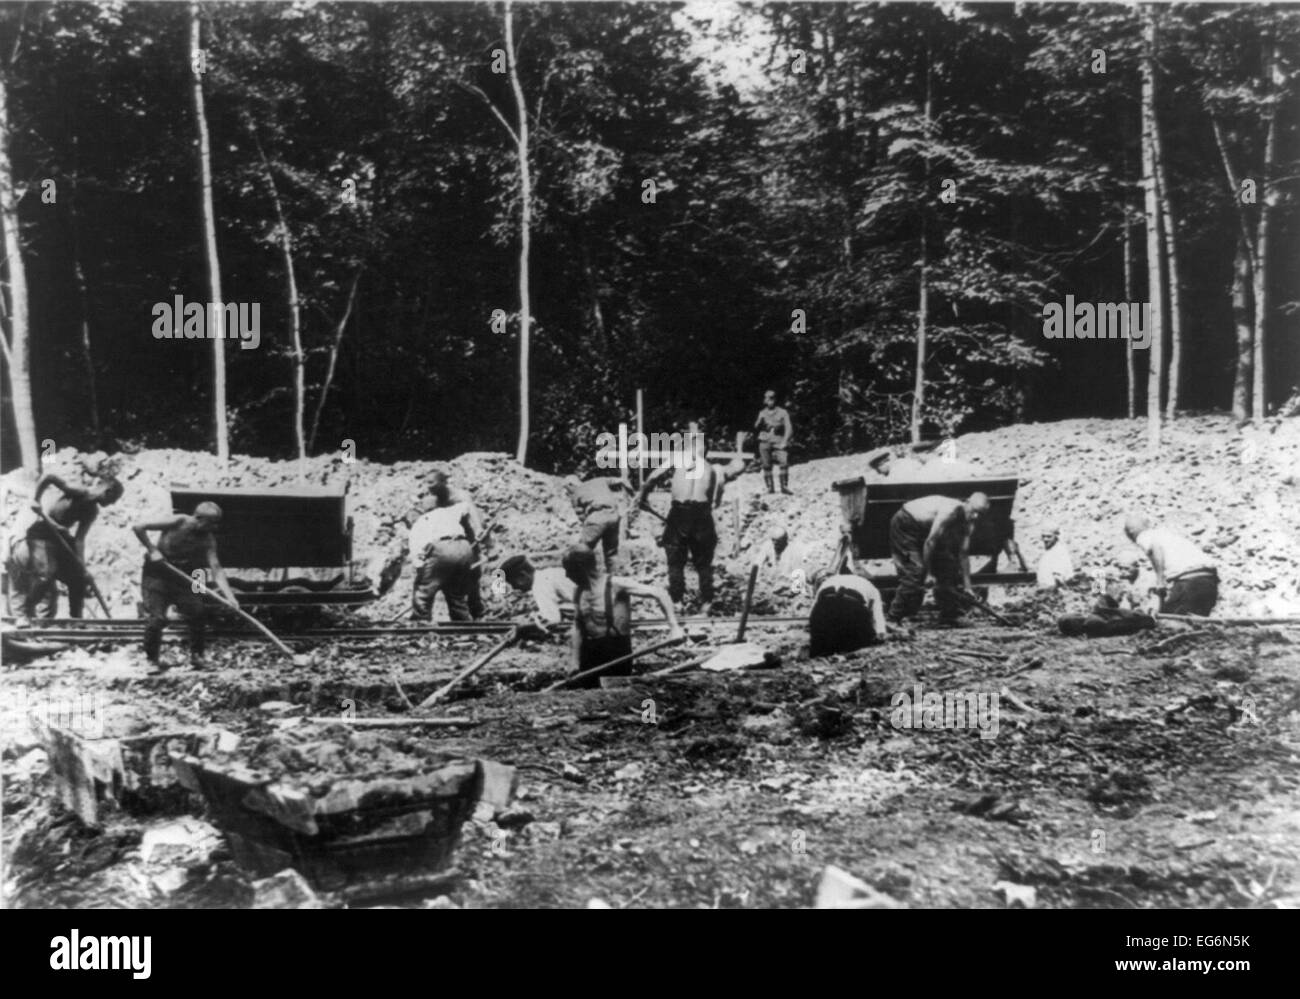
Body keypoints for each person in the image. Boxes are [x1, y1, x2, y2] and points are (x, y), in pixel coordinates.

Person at [635, 430, 745, 615]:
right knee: (704, 562)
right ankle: (706, 602)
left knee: (675, 561)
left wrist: (643, 496)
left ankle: (677, 601)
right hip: (702, 515)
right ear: (706, 451)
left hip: (679, 513)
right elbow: (713, 500)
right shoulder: (712, 468)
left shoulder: (679, 460)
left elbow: (653, 477)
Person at [562, 545, 684, 688]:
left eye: (568, 570)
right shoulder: (578, 591)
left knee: (615, 696)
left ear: (580, 568)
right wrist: (574, 660)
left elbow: (660, 594)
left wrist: (674, 628)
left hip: (615, 650)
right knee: (589, 697)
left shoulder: (616, 584)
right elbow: (577, 625)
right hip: (589, 651)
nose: (567, 575)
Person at [133, 502, 236, 669]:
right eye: (211, 523)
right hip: (158, 573)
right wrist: (152, 550)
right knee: (157, 618)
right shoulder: (179, 521)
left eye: (216, 523)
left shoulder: (208, 539)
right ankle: (152, 660)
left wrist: (230, 597)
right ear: (198, 518)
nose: (214, 527)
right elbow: (139, 527)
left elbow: (216, 568)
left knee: (198, 612)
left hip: (189, 576)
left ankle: (197, 657)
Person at [9, 472, 123, 619]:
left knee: (78, 578)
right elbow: (49, 476)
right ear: (108, 492)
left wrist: (81, 566)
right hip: (42, 533)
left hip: (60, 538)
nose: (112, 504)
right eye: (113, 500)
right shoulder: (79, 492)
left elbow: (79, 540)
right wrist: (35, 499)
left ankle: (76, 619)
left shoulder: (92, 512)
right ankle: (25, 611)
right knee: (46, 574)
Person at [888, 492, 990, 624]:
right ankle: (892, 618)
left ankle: (950, 614)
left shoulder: (969, 522)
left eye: (980, 514)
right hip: (906, 524)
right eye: (974, 511)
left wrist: (968, 587)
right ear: (967, 503)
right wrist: (929, 574)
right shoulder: (950, 511)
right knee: (915, 573)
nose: (975, 516)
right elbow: (930, 542)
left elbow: (963, 554)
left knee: (948, 565)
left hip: (926, 529)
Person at [409, 484, 483, 622]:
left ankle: (421, 622)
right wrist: (478, 528)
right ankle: (463, 624)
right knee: (456, 594)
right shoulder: (452, 510)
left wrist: (422, 571)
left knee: (423, 591)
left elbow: (416, 552)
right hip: (464, 549)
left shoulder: (421, 522)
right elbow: (467, 506)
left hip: (442, 549)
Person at [1124, 513, 1219, 616]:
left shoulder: (1143, 536)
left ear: (1131, 532)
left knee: (1168, 622)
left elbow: (1156, 548)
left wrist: (1160, 582)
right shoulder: (1166, 535)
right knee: (1195, 623)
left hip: (1190, 582)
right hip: (1209, 581)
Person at [808, 567, 888, 657]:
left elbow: (813, 615)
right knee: (856, 644)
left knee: (822, 647)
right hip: (853, 609)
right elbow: (878, 616)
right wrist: (880, 633)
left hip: (827, 605)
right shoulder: (870, 587)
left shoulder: (825, 584)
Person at [565, 475, 629, 572]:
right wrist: (632, 493)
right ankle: (615, 578)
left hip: (597, 517)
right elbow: (621, 480)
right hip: (614, 515)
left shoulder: (576, 494)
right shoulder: (598, 480)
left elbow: (581, 517)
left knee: (582, 550)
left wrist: (590, 528)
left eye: (567, 488)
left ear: (571, 484)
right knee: (611, 552)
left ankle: (588, 577)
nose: (568, 492)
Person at [499, 554, 574, 626]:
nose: (514, 588)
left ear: (523, 576)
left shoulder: (539, 585)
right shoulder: (548, 573)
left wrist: (524, 628)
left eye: (513, 583)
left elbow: (552, 620)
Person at [751, 525, 812, 594]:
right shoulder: (768, 545)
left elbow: (798, 574)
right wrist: (758, 581)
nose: (775, 544)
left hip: (785, 585)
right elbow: (757, 564)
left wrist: (787, 585)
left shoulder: (793, 551)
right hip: (768, 584)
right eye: (773, 540)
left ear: (785, 540)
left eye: (778, 541)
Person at [754, 390, 793, 494]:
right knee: (766, 465)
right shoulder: (762, 413)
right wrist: (759, 421)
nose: (769, 401)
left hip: (778, 440)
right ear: (764, 400)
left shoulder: (783, 412)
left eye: (771, 398)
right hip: (765, 440)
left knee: (784, 462)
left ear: (775, 399)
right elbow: (755, 427)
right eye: (767, 399)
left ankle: (784, 486)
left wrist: (785, 441)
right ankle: (769, 487)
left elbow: (789, 427)